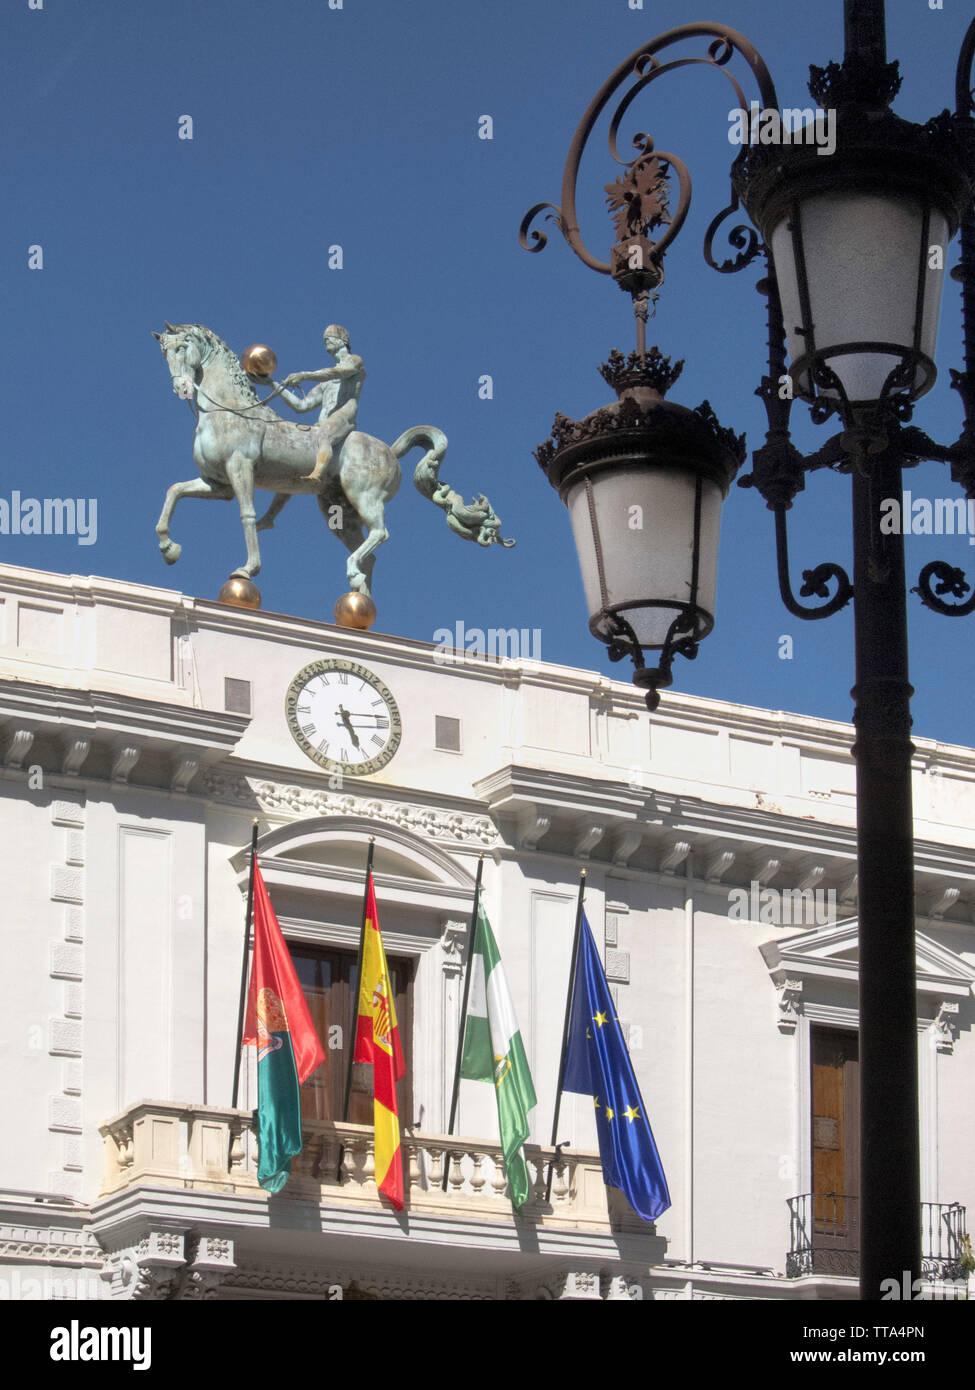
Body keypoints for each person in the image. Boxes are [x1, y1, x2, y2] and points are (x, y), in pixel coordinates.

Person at [278, 325, 365, 485]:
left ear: (342, 340)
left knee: (324, 435)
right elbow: (302, 405)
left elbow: (339, 372)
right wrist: (275, 386)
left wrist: (304, 375)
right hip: (323, 422)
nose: (326, 341)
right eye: (325, 339)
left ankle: (317, 474)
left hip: (345, 414)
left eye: (329, 338)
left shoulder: (355, 361)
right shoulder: (326, 383)